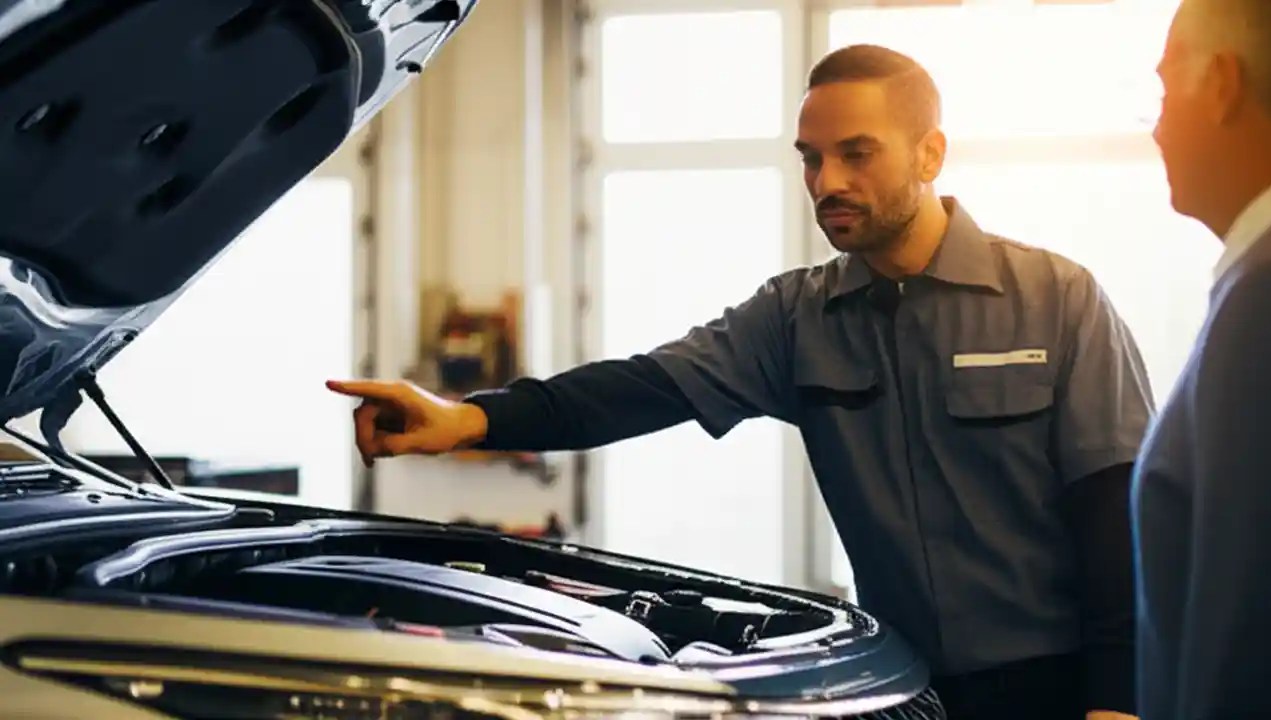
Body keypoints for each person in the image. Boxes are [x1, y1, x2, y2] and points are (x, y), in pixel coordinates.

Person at [329, 45, 1150, 720]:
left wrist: (1117, 702)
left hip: (1057, 688)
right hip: (900, 689)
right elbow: (642, 387)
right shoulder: (798, 318)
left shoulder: (1056, 299)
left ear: (929, 153)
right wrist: (467, 420)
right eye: (811, 159)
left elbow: (1120, 522)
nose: (827, 182)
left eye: (856, 154)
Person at [1135, 1, 1271, 718]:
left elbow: (1243, 642)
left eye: (1165, 90)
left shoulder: (1267, 299)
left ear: (1221, 84)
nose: (1156, 127)